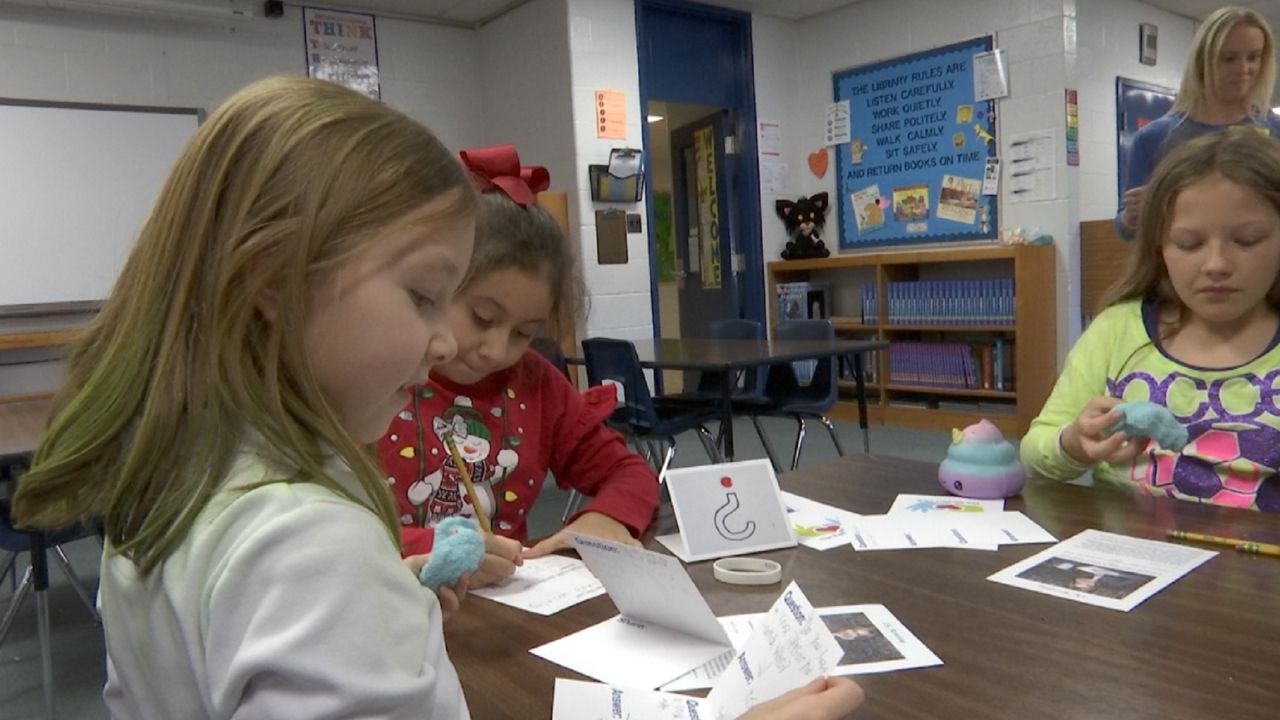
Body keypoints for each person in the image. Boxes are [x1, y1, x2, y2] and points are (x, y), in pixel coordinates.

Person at [12, 76, 860, 720]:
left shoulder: (176, 479)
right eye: (426, 299)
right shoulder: (313, 544)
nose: (451, 344)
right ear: (271, 280)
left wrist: (390, 584)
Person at [377, 144, 660, 584]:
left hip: (508, 613)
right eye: (482, 318)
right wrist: (438, 549)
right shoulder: (378, 379)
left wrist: (606, 518)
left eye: (524, 332)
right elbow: (321, 528)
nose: (497, 350)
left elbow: (630, 473)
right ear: (433, 286)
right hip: (392, 605)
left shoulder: (537, 384)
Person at [1023, 129, 1280, 513]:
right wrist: (1075, 441)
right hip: (1131, 559)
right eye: (1189, 244)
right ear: (1159, 247)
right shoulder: (1117, 330)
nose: (1216, 265)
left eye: (1246, 240)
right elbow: (1036, 451)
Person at [1116, 6, 1280, 239]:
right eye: (1229, 58)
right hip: (1183, 269)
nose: (1244, 69)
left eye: (1253, 57)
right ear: (1203, 60)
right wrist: (1132, 216)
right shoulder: (1156, 138)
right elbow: (1127, 230)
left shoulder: (1275, 131)